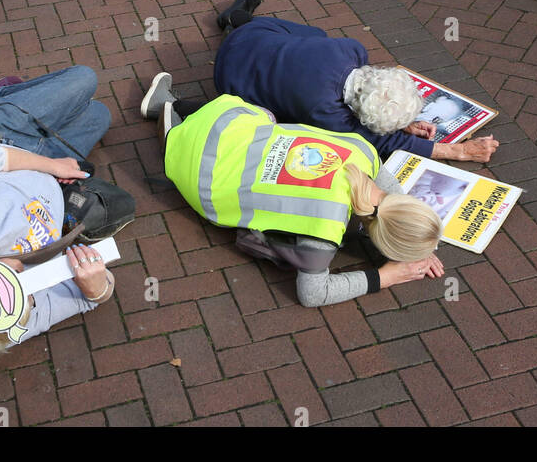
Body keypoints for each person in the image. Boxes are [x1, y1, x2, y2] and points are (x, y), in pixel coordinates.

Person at [0, 66, 134, 359]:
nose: (26, 280)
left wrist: (53, 166)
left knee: (85, 79)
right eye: (28, 298)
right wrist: (98, 288)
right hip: (46, 175)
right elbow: (89, 300)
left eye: (11, 274)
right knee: (99, 114)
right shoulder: (5, 323)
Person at [158, 94, 444, 307]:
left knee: (266, 119)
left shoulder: (365, 154)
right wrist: (386, 276)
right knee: (180, 144)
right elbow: (312, 295)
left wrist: (414, 235)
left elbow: (392, 192)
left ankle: (182, 108)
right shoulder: (325, 225)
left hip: (229, 119)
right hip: (204, 177)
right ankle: (168, 123)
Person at [143, 0, 500, 162]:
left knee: (311, 36)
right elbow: (382, 143)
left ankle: (236, 19)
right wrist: (458, 151)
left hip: (250, 39)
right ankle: (181, 107)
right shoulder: (329, 114)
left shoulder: (353, 51)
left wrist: (404, 123)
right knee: (271, 124)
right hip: (229, 86)